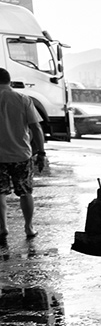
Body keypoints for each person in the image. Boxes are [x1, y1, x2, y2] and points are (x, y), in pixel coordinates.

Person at [0, 68, 46, 247]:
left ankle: (2, 227)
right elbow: (36, 128)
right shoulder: (23, 99)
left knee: (0, 192)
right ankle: (28, 227)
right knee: (25, 192)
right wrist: (41, 152)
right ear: (9, 81)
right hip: (21, 154)